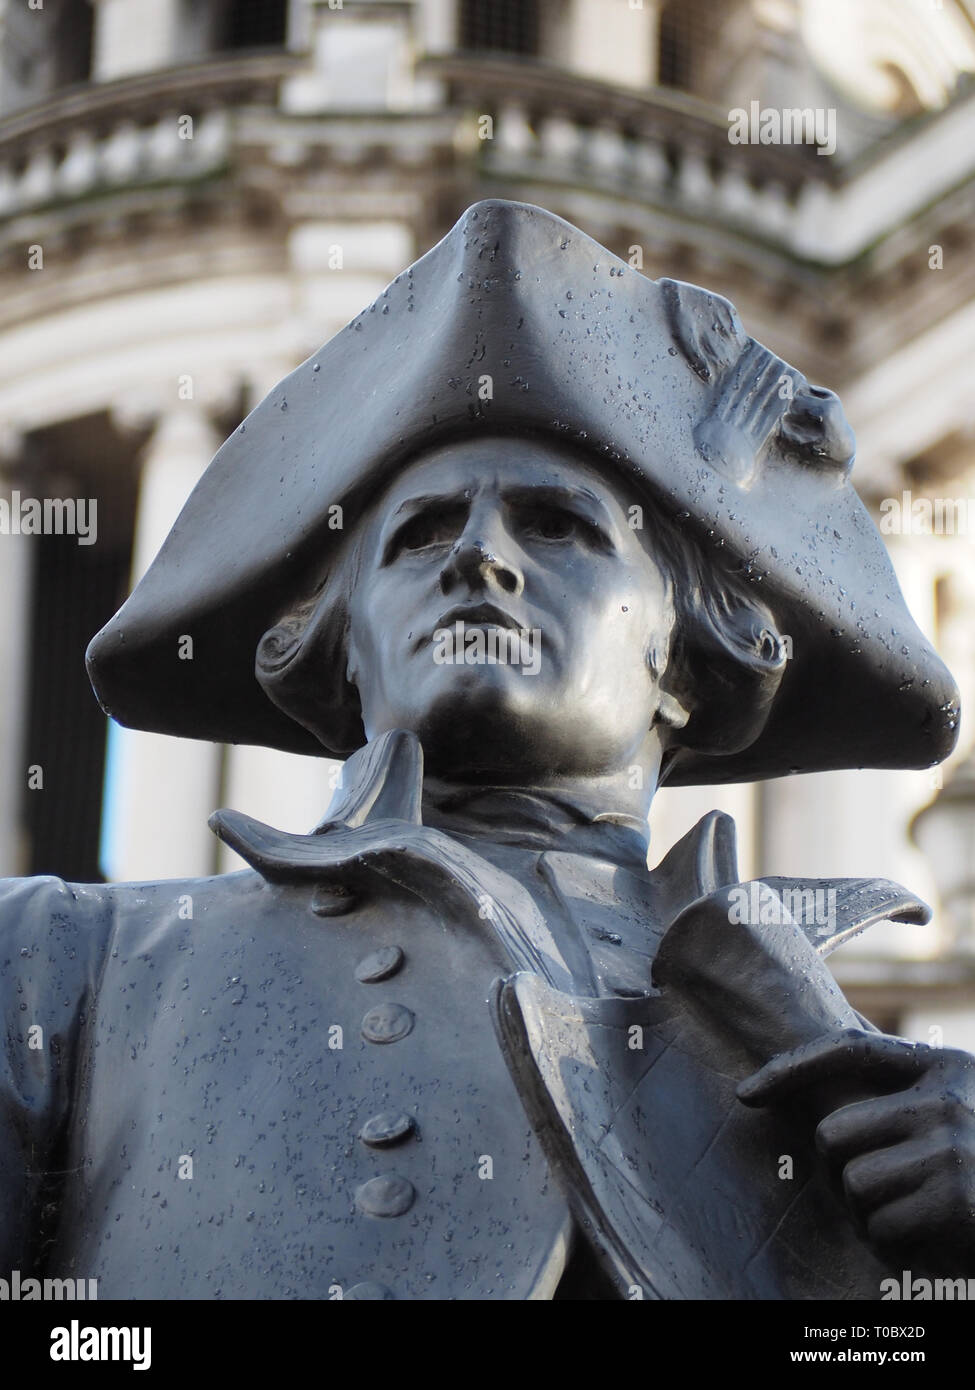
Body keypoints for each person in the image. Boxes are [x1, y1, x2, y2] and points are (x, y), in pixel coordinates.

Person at [1, 200, 971, 1299]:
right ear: (333, 644)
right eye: (419, 533)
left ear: (700, 649)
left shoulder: (868, 1081)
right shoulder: (59, 967)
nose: (476, 558)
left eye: (557, 525)